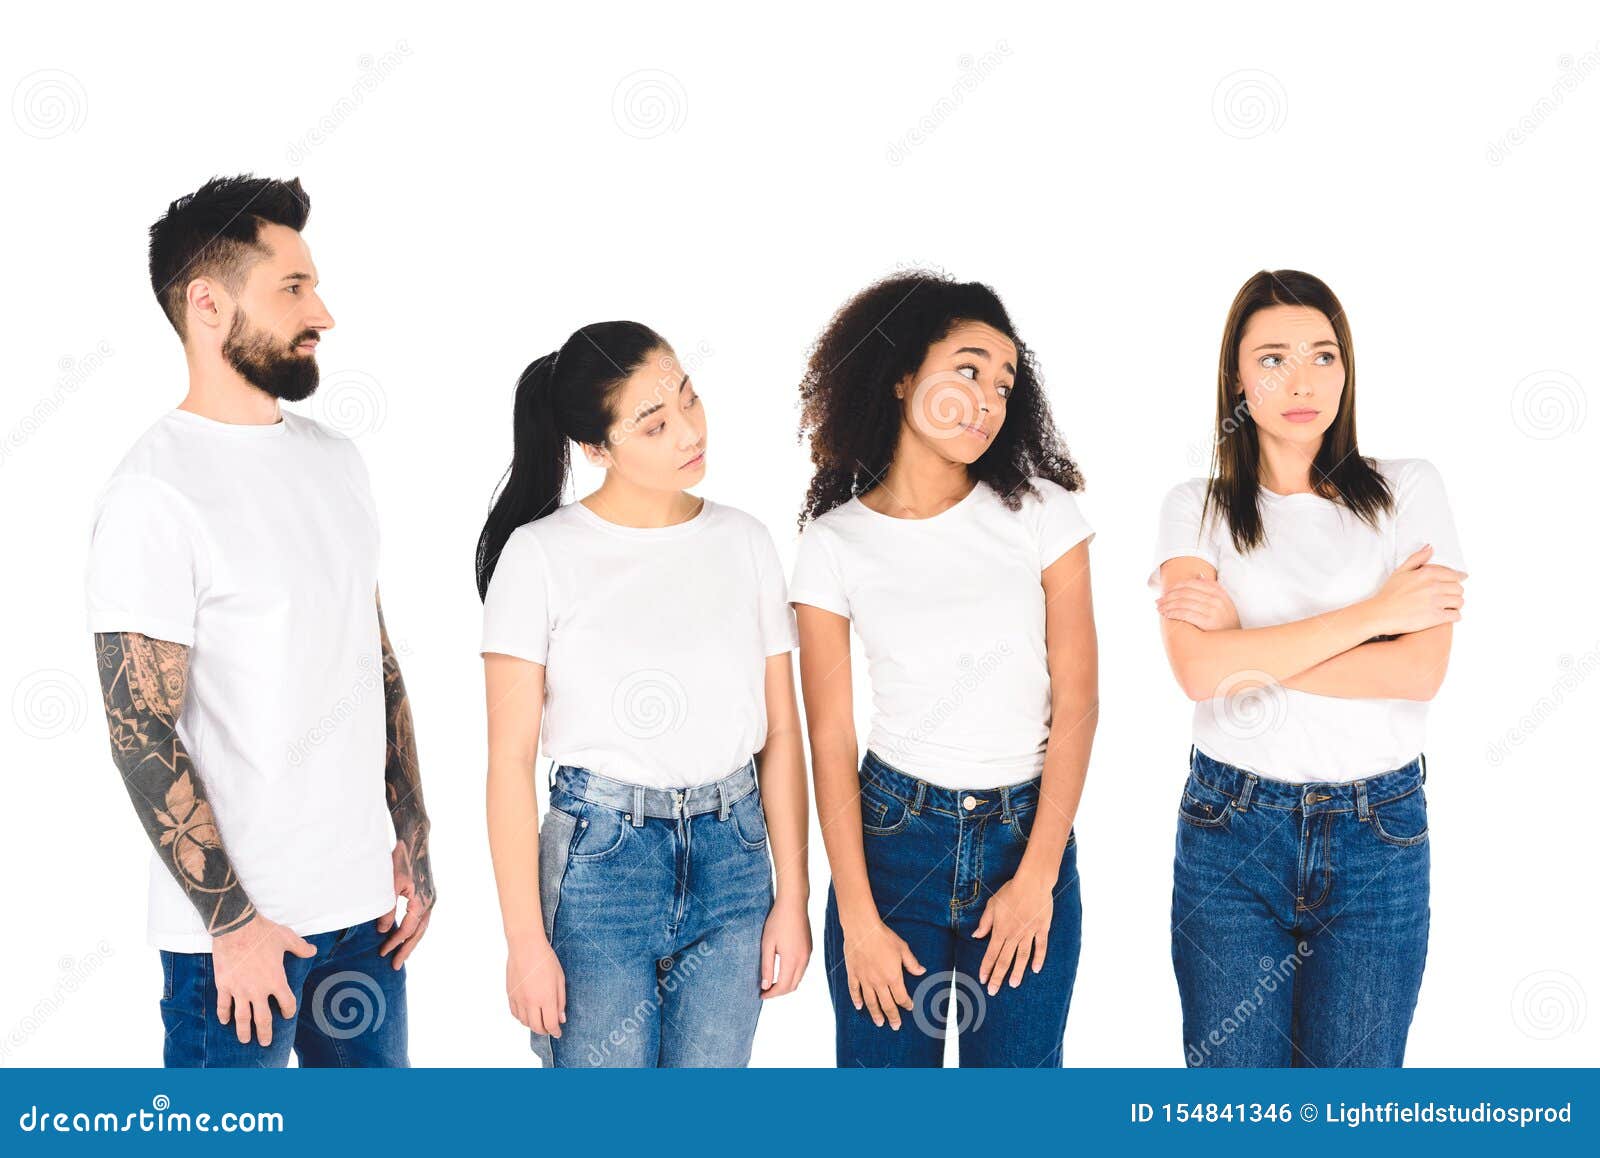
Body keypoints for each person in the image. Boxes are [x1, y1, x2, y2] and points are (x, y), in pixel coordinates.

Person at [86, 175, 434, 1067]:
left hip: (364, 920)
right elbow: (140, 725)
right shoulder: (155, 490)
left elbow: (376, 660)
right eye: (293, 288)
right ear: (208, 303)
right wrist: (232, 924)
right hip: (237, 944)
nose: (323, 312)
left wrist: (413, 838)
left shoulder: (336, 461)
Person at [1152, 268, 1466, 1067]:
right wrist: (1375, 618)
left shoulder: (1409, 489)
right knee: (1235, 1115)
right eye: (1273, 359)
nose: (1303, 381)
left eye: (1325, 357)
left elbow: (1420, 672)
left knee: (1350, 1117)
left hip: (1378, 836)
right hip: (1232, 830)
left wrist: (1248, 647)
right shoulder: (1196, 506)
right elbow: (1197, 671)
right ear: (1235, 378)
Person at [479, 321, 810, 1067]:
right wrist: (525, 942)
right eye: (654, 424)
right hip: (601, 866)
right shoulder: (538, 558)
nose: (688, 431)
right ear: (596, 448)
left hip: (735, 857)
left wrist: (795, 894)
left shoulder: (747, 542)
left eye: (688, 398)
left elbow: (781, 736)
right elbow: (508, 763)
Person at [789, 272, 1097, 1066]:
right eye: (967, 369)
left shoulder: (1042, 515)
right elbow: (829, 736)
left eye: (1003, 383)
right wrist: (856, 916)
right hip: (894, 848)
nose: (989, 400)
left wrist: (1037, 878)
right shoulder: (833, 544)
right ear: (899, 377)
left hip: (1028, 838)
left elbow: (1080, 703)